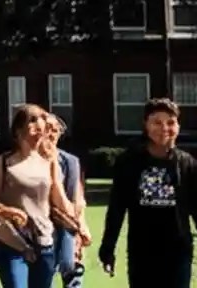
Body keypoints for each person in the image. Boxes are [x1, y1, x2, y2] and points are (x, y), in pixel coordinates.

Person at [100, 97, 197, 286]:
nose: (164, 128)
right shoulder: (129, 162)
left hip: (178, 250)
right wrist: (108, 247)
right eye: (157, 122)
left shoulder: (187, 163)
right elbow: (117, 208)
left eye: (170, 122)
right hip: (142, 250)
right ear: (146, 125)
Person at [0, 104, 75, 288]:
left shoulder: (49, 163)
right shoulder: (1, 165)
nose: (39, 125)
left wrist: (56, 178)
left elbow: (65, 207)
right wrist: (11, 212)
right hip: (12, 245)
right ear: (18, 130)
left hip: (45, 244)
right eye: (32, 120)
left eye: (41, 119)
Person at [46, 116, 90, 287]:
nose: (51, 134)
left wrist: (81, 225)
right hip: (38, 223)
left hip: (66, 221)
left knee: (71, 265)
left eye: (55, 130)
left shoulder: (70, 161)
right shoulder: (29, 159)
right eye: (47, 129)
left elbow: (76, 199)